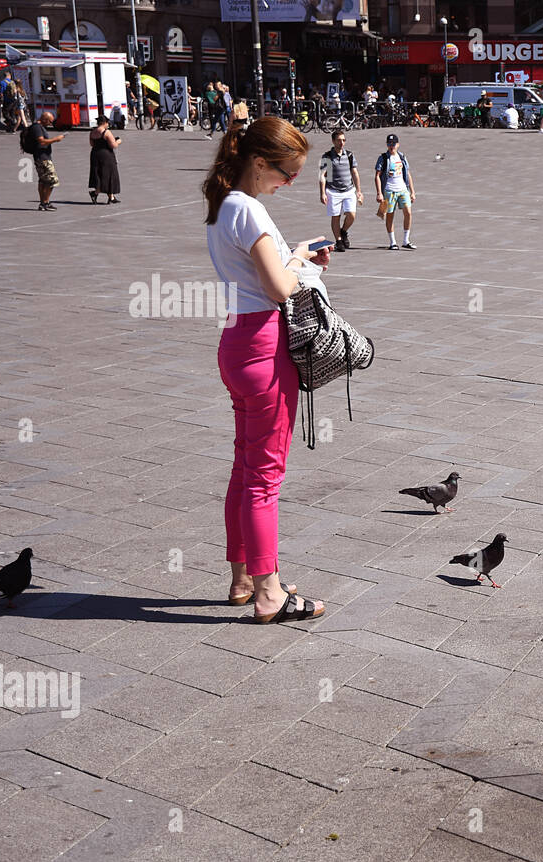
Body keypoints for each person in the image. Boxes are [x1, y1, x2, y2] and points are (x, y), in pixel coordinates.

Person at [203, 116, 329, 625]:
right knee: (264, 478)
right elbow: (278, 290)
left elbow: (263, 275)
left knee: (244, 468)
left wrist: (294, 256)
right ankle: (269, 593)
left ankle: (244, 578)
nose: (289, 182)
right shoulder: (250, 211)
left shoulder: (223, 205)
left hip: (236, 342)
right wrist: (303, 270)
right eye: (286, 173)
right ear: (259, 163)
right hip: (264, 347)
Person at [319, 130, 363, 251]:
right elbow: (323, 175)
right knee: (335, 216)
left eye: (343, 140)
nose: (342, 143)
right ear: (333, 141)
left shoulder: (349, 155)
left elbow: (354, 172)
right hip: (333, 191)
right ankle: (339, 241)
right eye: (339, 140)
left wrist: (359, 191)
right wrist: (322, 193)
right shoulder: (327, 156)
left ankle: (343, 231)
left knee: (351, 215)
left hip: (349, 190)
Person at [374, 133, 415, 250]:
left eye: (393, 144)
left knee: (408, 213)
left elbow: (408, 174)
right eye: (389, 144)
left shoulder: (402, 157)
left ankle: (406, 240)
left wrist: (412, 191)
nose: (391, 146)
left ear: (398, 144)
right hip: (389, 191)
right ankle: (393, 242)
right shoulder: (383, 158)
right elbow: (377, 176)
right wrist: (379, 192)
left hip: (402, 189)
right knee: (390, 215)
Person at [30, 111, 65, 211]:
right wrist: (56, 139)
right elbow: (41, 141)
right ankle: (45, 202)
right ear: (44, 119)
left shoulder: (38, 127)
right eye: (50, 121)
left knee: (43, 181)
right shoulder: (37, 127)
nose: (50, 124)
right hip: (43, 158)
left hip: (41, 157)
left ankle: (42, 203)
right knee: (52, 180)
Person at [88, 115, 122, 204]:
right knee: (109, 174)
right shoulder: (106, 132)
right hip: (106, 156)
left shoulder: (92, 132)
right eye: (108, 123)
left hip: (95, 154)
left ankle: (111, 196)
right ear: (104, 123)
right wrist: (118, 141)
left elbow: (92, 144)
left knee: (99, 174)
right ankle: (96, 193)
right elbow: (113, 145)